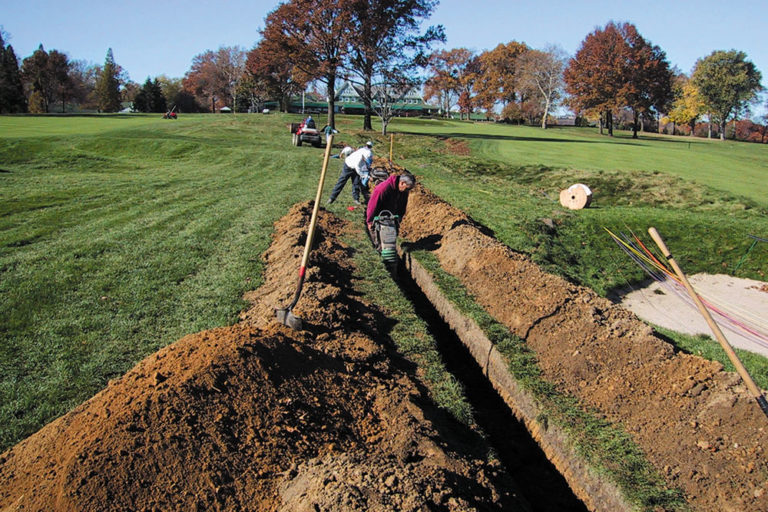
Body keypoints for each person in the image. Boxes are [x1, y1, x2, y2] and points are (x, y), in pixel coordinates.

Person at [327, 141, 373, 205]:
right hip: (348, 166)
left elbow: (366, 164)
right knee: (342, 181)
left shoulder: (366, 152)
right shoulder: (359, 159)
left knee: (356, 183)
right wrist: (367, 176)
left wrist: (368, 168)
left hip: (356, 168)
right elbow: (358, 169)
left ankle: (356, 199)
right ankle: (332, 198)